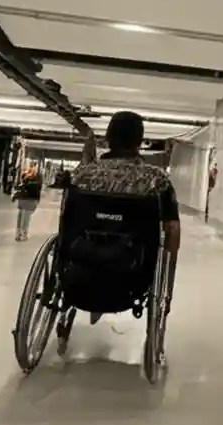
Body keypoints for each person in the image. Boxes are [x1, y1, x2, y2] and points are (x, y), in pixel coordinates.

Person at [71, 111, 181, 325]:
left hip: (78, 264)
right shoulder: (155, 179)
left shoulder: (82, 175)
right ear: (140, 142)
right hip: (132, 273)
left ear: (108, 138)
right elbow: (173, 230)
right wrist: (167, 286)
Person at [12, 165, 42, 242]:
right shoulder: (37, 181)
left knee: (21, 216)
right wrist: (38, 200)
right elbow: (38, 191)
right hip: (31, 200)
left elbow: (19, 188)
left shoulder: (24, 179)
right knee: (26, 218)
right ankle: (24, 234)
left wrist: (15, 197)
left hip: (22, 199)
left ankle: (18, 233)